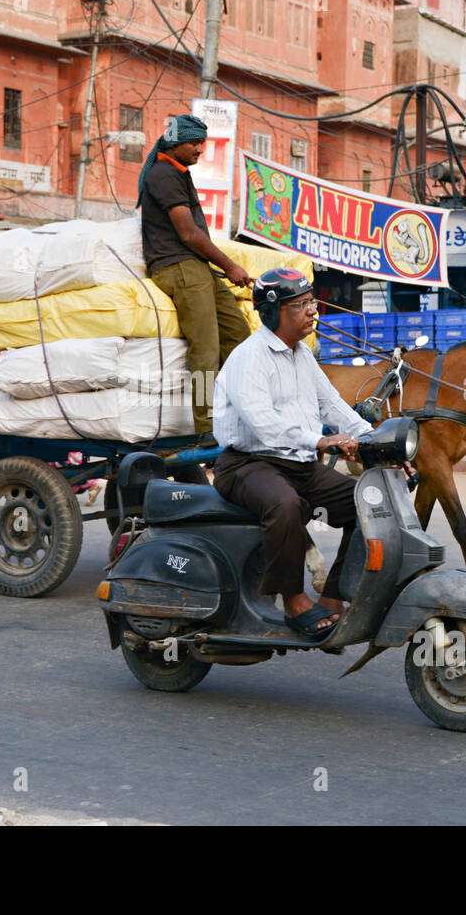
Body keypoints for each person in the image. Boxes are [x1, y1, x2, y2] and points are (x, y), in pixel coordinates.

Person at [212, 268, 372, 639]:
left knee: (367, 503)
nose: (312, 311)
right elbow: (263, 424)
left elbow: (333, 406)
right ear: (274, 312)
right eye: (300, 305)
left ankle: (332, 596)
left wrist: (373, 438)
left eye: (311, 302)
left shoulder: (303, 356)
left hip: (297, 463)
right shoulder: (249, 358)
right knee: (285, 505)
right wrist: (323, 441)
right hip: (248, 465)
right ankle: (294, 598)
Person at [138, 113, 252, 441]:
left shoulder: (179, 172)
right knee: (205, 350)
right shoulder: (163, 175)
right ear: (176, 143)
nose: (200, 149)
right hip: (176, 267)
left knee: (239, 336)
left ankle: (241, 410)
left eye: (202, 142)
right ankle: (208, 427)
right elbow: (188, 234)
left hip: (195, 266)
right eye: (194, 142)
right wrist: (230, 266)